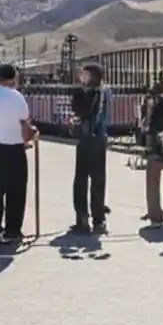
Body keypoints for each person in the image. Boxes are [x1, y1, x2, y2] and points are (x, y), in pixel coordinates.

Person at [0, 64, 36, 245]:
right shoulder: (16, 96)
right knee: (16, 188)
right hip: (13, 145)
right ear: (13, 78)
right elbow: (23, 121)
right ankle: (13, 229)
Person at [68, 63, 110, 235]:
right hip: (99, 138)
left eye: (84, 74)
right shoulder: (103, 92)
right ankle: (97, 218)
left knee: (82, 179)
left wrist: (78, 94)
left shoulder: (92, 94)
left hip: (89, 138)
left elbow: (81, 110)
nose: (81, 77)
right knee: (98, 179)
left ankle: (84, 217)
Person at [142, 82, 163, 227]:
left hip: (153, 141)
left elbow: (146, 124)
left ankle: (155, 213)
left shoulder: (149, 102)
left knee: (152, 180)